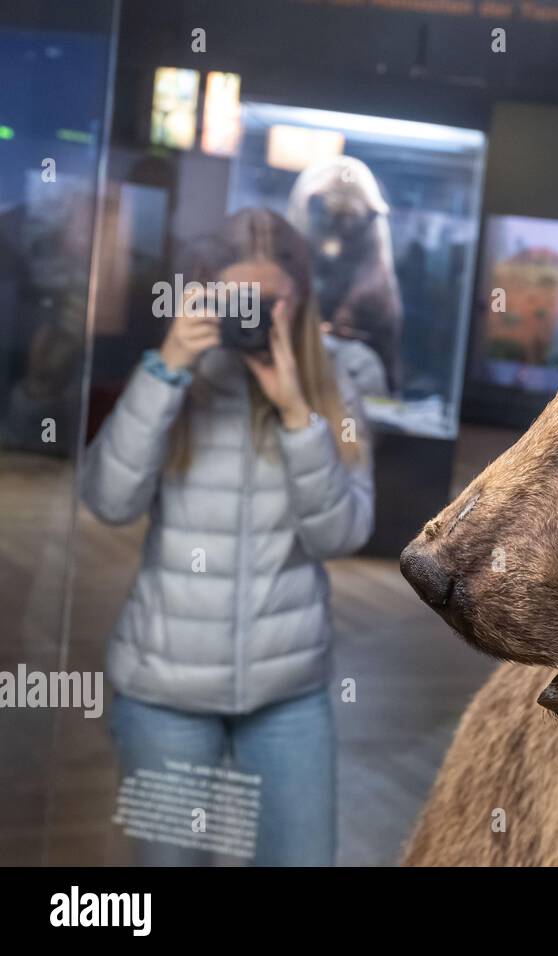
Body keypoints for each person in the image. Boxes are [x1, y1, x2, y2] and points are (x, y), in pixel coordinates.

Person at [82, 208, 374, 866]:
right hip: (164, 692)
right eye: (237, 298)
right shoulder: (171, 381)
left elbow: (341, 534)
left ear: (298, 302)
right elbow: (108, 499)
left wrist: (299, 414)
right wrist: (167, 368)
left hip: (289, 693)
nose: (253, 316)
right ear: (205, 293)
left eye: (270, 301)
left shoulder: (334, 391)